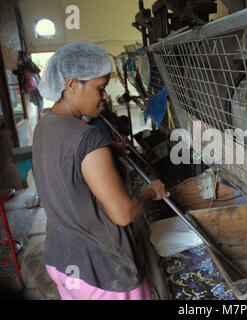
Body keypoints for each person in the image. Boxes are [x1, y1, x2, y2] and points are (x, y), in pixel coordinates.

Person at [32, 42, 167, 300]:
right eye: (100, 88)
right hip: (101, 271)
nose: (105, 97)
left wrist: (108, 152)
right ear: (72, 85)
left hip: (62, 261)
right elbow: (124, 213)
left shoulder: (46, 125)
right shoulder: (88, 139)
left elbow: (67, 169)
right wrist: (152, 191)